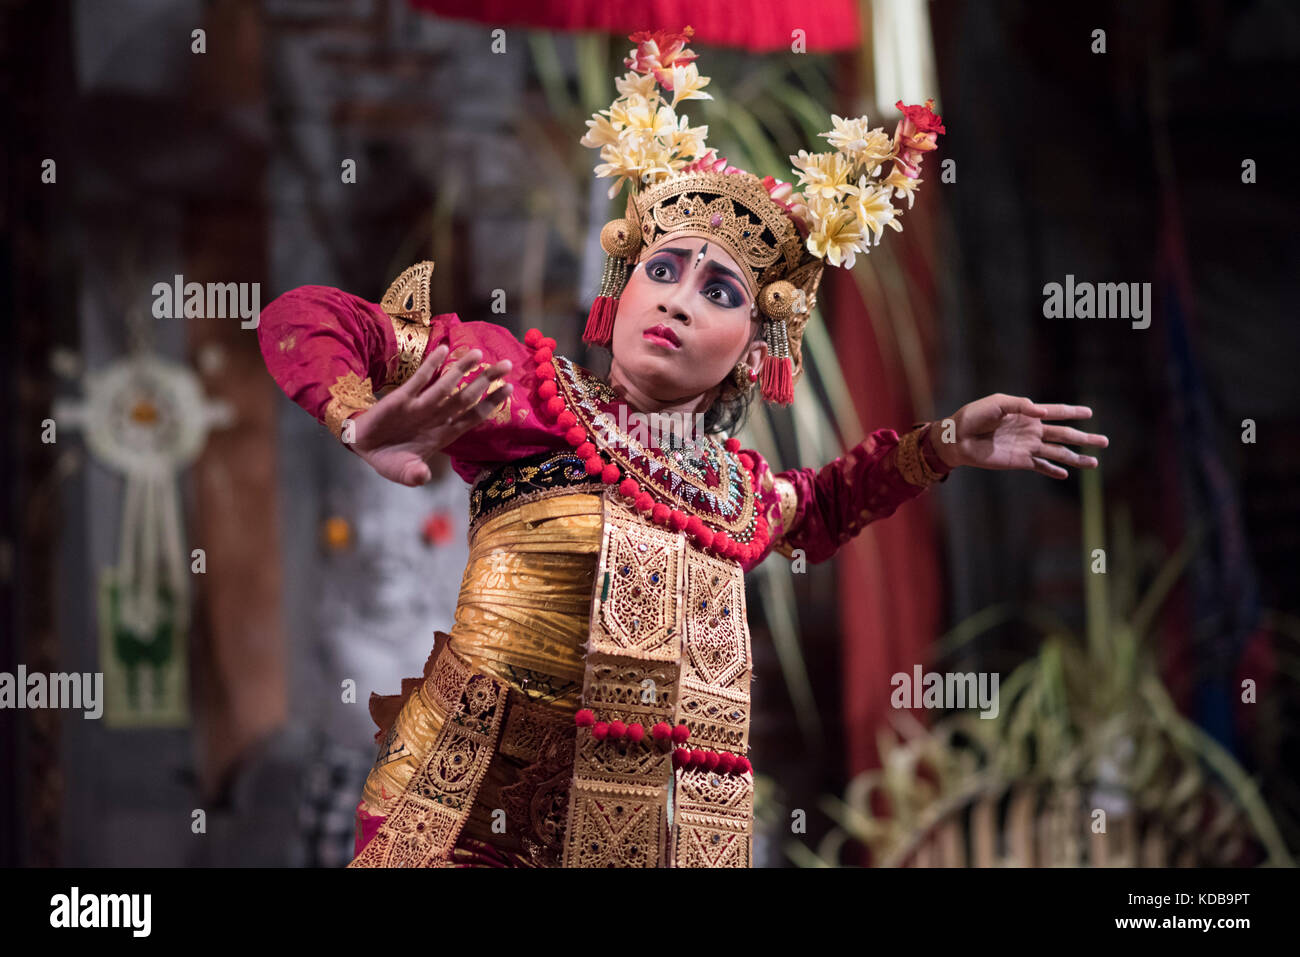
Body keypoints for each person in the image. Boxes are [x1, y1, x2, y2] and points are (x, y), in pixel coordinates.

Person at [257, 27, 1108, 868]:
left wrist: (949, 442)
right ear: (621, 293)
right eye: (661, 271)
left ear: (755, 342)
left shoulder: (733, 492)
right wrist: (356, 417)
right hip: (462, 826)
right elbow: (310, 317)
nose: (676, 301)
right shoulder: (529, 393)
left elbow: (822, 504)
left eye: (719, 289)